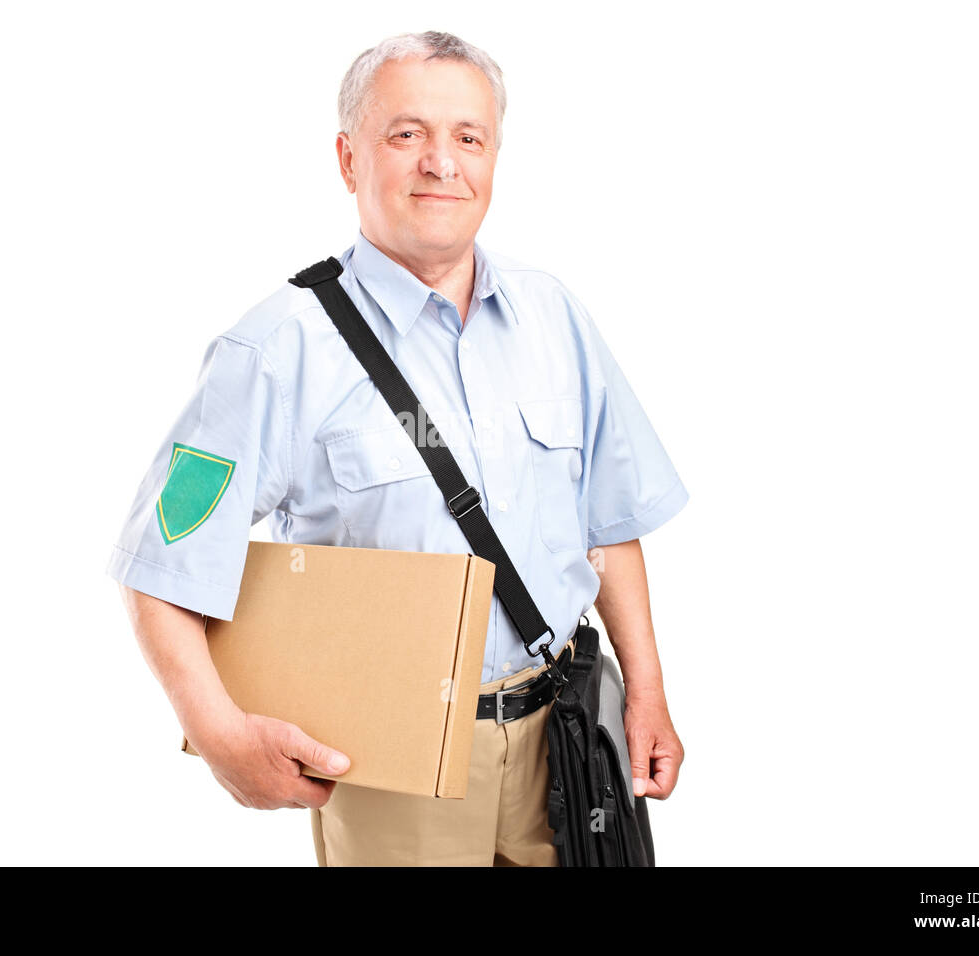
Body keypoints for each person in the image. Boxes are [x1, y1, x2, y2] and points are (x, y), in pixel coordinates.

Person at [106, 30, 690, 866]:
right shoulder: (275, 350)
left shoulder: (553, 316)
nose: (441, 163)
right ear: (349, 159)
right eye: (407, 134)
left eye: (468, 138)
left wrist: (647, 693)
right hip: (392, 769)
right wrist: (219, 734)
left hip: (565, 738)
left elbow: (610, 520)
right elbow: (160, 567)